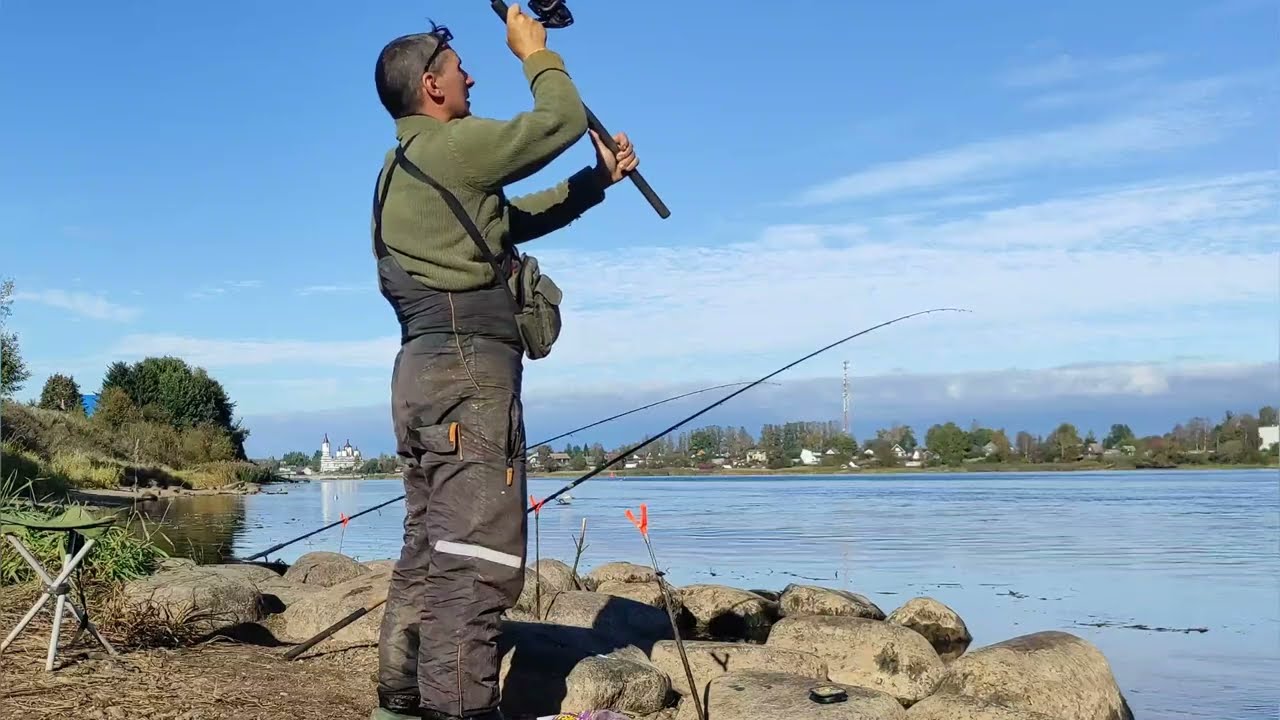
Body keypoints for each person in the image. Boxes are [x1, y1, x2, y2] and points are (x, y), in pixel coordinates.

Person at [368, 5, 639, 720]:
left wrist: (594, 181)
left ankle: (400, 701)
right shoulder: (452, 149)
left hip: (421, 373)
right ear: (431, 86)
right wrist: (534, 50)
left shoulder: (403, 168)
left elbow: (507, 223)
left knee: (429, 549)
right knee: (477, 562)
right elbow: (556, 117)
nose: (472, 76)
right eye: (460, 71)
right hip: (467, 374)